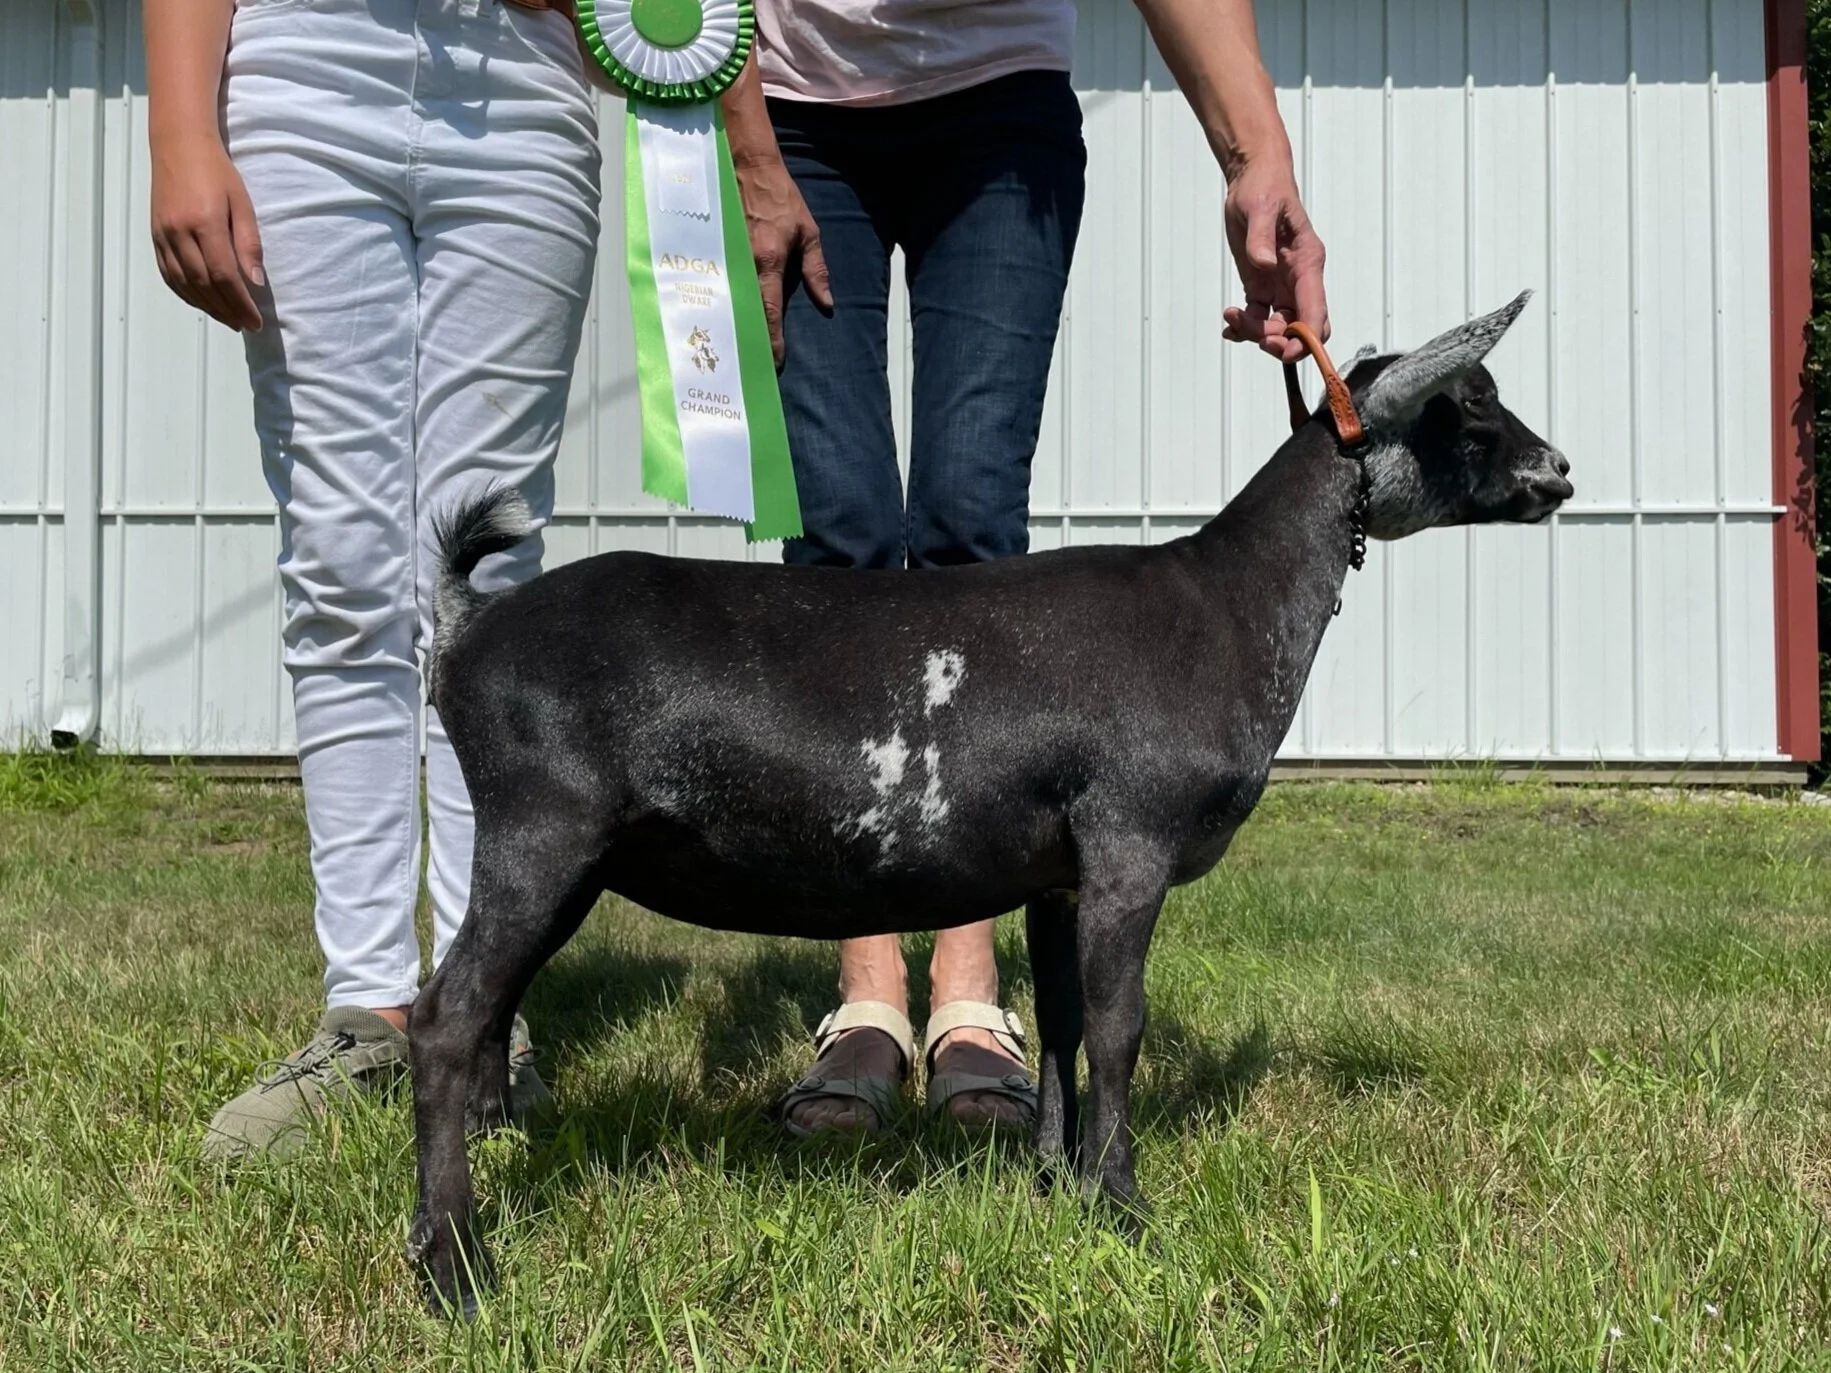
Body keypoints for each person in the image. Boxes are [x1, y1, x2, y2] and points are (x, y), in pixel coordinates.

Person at [718, 0, 1330, 1134]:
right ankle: (865, 993)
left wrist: (1259, 160)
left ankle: (967, 989)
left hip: (998, 109)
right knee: (840, 538)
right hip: (790, 108)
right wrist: (748, 154)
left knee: (968, 528)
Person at [144, 0, 603, 1158]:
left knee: (484, 576)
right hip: (305, 71)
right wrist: (181, 135)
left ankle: (482, 1003)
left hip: (521, 85)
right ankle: (366, 1008)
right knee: (341, 565)